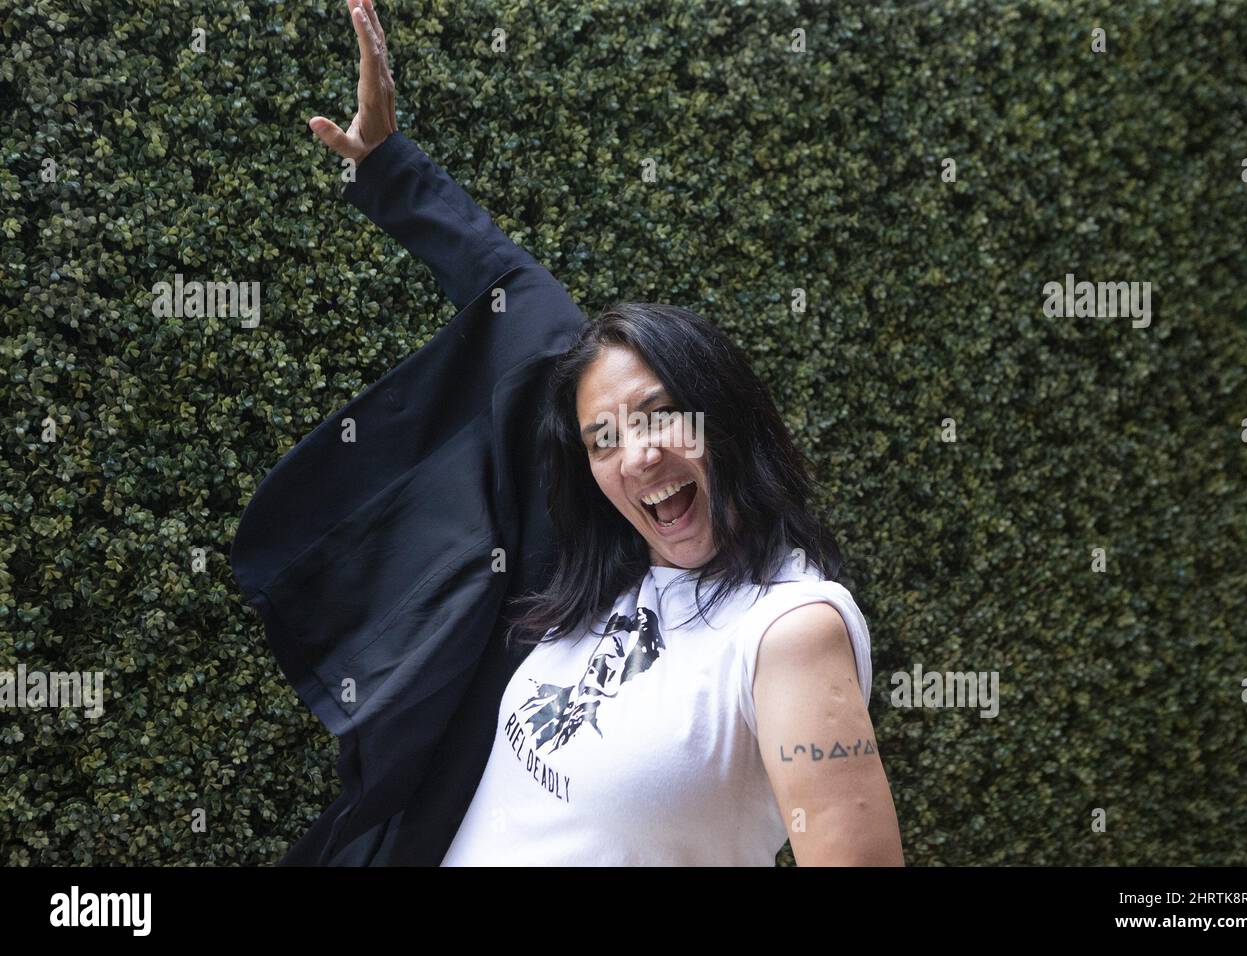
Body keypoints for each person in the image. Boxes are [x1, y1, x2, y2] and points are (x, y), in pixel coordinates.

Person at [299, 0, 903, 865]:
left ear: (723, 415)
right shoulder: (603, 565)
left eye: (659, 415)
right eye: (604, 437)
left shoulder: (788, 627)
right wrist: (388, 168)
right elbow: (529, 309)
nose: (637, 453)